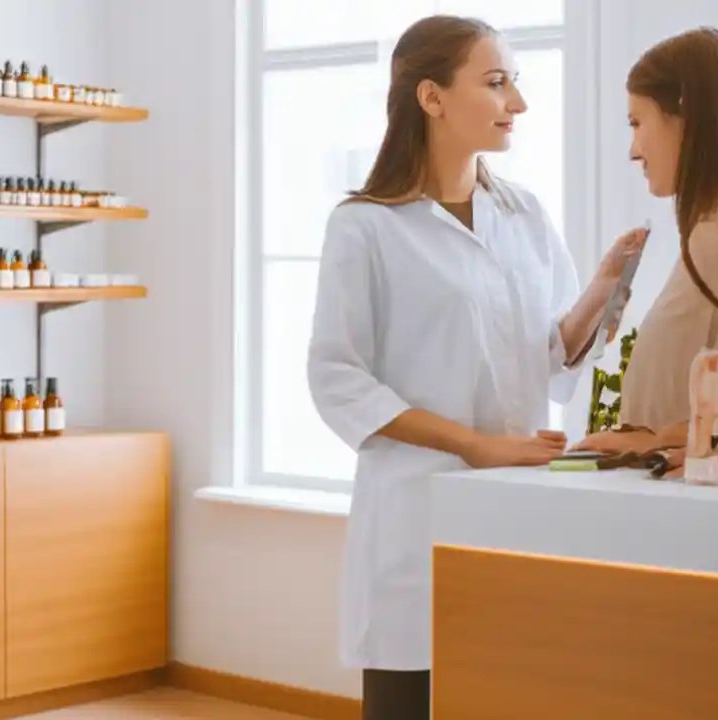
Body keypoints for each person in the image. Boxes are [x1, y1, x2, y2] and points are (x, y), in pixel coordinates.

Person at [306, 15, 645, 720]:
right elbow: (339, 378)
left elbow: (547, 354)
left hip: (517, 504)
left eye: (514, 83)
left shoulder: (524, 214)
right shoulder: (364, 225)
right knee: (409, 695)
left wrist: (601, 290)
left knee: (507, 689)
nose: (516, 103)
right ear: (431, 98)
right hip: (415, 511)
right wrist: (472, 445)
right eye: (496, 83)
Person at [576, 28, 718, 458]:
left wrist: (654, 439)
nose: (633, 151)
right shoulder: (704, 236)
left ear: (687, 119)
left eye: (637, 123)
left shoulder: (713, 242)